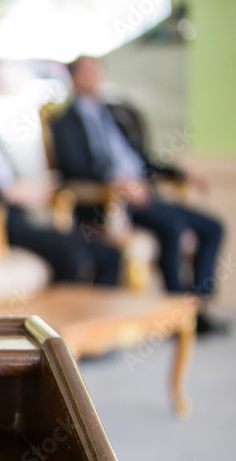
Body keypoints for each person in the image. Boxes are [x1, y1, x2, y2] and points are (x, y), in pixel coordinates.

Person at [51, 55, 225, 333]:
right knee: (173, 226)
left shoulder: (116, 114)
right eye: (89, 70)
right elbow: (72, 168)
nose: (96, 75)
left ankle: (196, 305)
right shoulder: (63, 121)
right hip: (110, 201)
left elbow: (142, 158)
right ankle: (174, 309)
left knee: (213, 227)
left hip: (144, 193)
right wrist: (117, 182)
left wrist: (180, 173)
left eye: (98, 69)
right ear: (74, 77)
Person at [0, 56, 121, 286]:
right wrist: (4, 192)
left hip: (16, 212)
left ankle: (95, 306)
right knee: (71, 254)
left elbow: (2, 172)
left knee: (107, 254)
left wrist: (26, 190)